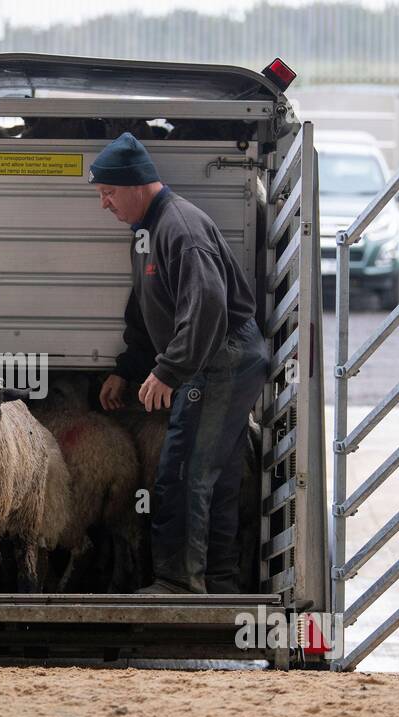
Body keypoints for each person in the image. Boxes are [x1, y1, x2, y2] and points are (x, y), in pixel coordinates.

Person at [91, 133, 268, 594]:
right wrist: (128, 368)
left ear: (136, 184)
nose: (104, 204)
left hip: (222, 356)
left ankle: (178, 583)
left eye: (108, 193)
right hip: (214, 356)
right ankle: (220, 580)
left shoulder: (180, 229)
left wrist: (169, 370)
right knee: (218, 473)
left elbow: (206, 305)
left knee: (184, 468)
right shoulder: (148, 233)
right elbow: (146, 308)